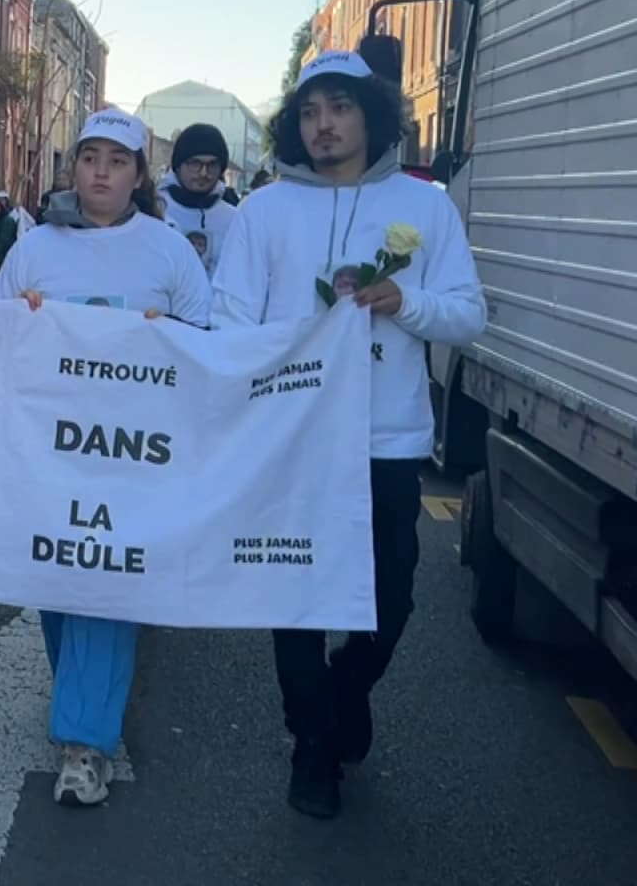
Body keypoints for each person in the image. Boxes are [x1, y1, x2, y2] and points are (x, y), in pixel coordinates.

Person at [213, 50, 485, 819]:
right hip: (291, 441)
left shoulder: (426, 207)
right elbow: (233, 317)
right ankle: (311, 745)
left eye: (338, 108)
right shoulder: (266, 211)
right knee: (295, 596)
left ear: (371, 114)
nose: (323, 125)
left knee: (389, 602)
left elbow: (470, 313)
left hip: (388, 441)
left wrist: (411, 302)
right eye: (308, 112)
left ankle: (347, 687)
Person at [0, 107, 212, 806]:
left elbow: (206, 339)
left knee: (105, 583)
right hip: (50, 451)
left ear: (140, 175)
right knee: (60, 586)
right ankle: (82, 705)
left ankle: (85, 744)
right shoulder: (34, 247)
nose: (101, 173)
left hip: (131, 455)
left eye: (118, 162)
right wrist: (19, 317)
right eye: (90, 158)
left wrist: (168, 334)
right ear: (73, 167)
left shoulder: (169, 251)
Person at [160, 123, 240, 275]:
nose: (204, 173)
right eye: (195, 163)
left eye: (212, 165)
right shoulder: (154, 210)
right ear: (178, 166)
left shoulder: (233, 220)